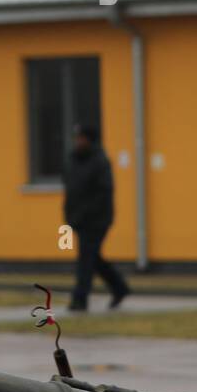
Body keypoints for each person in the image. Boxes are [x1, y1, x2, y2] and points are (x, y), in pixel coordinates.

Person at [63, 124, 129, 312]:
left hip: (97, 220)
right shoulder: (73, 160)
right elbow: (70, 190)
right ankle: (119, 287)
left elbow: (103, 193)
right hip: (78, 218)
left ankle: (79, 299)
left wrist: (86, 212)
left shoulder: (100, 161)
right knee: (92, 258)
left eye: (81, 137)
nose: (78, 141)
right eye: (77, 137)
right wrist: (69, 214)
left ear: (90, 140)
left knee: (85, 259)